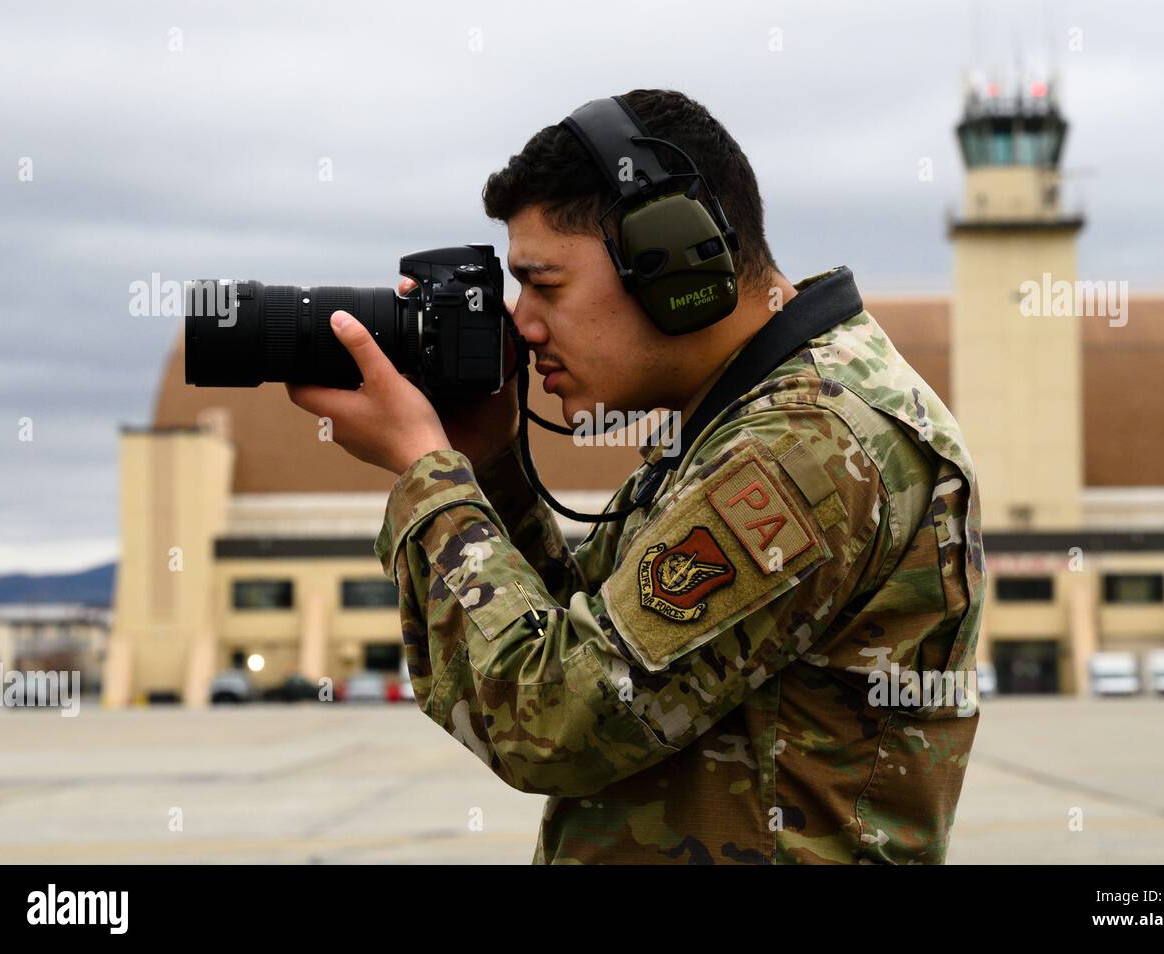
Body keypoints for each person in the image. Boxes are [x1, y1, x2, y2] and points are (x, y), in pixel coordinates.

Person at [287, 88, 985, 864]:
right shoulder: (746, 416)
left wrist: (427, 474)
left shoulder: (812, 445)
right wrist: (490, 465)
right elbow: (577, 632)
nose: (522, 322)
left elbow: (550, 720)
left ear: (674, 262)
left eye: (546, 285)